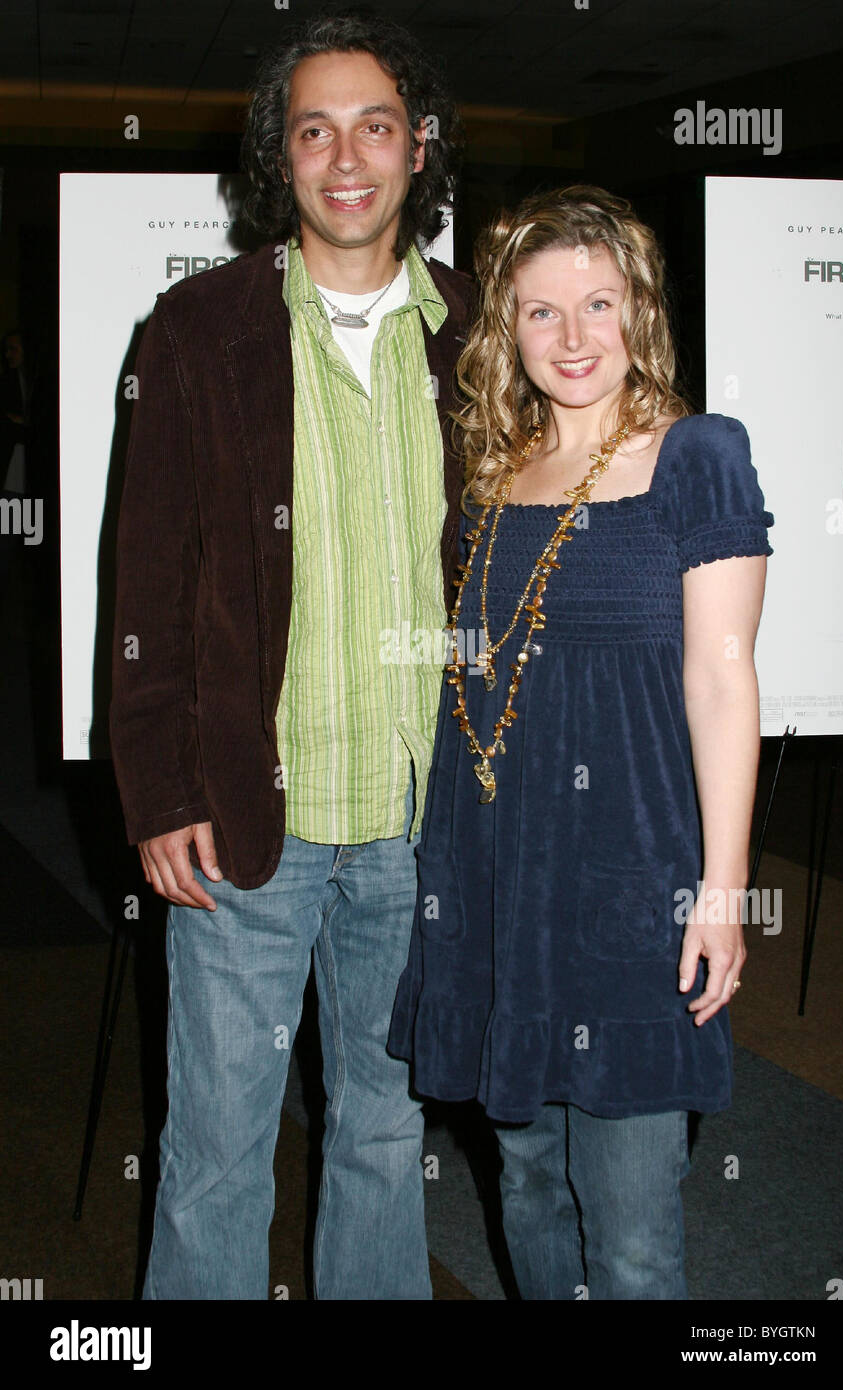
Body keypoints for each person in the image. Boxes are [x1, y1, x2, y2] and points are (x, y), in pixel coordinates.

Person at [109, 13, 472, 1300]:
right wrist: (157, 792)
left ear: (417, 146)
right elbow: (143, 579)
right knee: (215, 1151)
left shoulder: (477, 336)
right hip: (244, 820)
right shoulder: (198, 330)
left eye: (374, 124)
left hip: (420, 820)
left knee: (382, 1131)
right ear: (280, 155)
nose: (345, 157)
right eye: (311, 129)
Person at [388, 184, 774, 1300]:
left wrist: (723, 886)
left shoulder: (697, 455)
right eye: (540, 311)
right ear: (504, 327)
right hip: (498, 863)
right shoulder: (489, 476)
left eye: (596, 305)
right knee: (521, 1179)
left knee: (631, 1215)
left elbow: (721, 676)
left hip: (631, 867)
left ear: (637, 314)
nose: (570, 337)